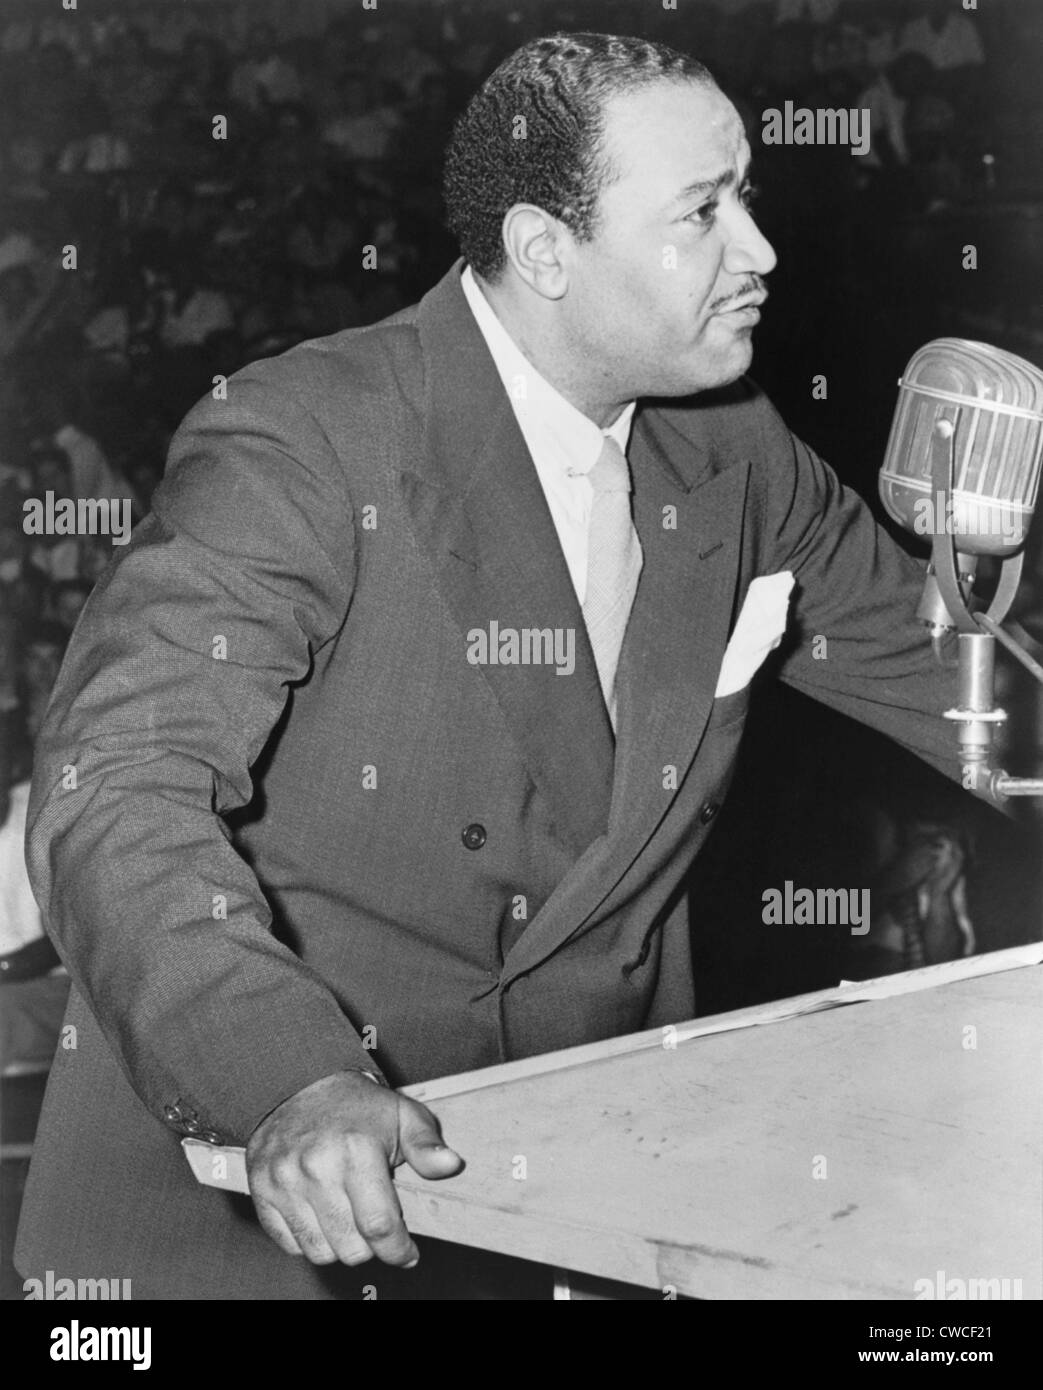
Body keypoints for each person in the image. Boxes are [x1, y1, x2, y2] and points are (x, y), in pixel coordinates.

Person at [16, 32, 993, 1301]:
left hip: (574, 1204)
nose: (757, 250)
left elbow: (963, 689)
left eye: (743, 194)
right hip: (257, 1217)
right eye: (702, 211)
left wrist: (991, 580)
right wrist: (289, 1079)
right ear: (543, 251)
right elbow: (119, 778)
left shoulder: (736, 448)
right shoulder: (308, 436)